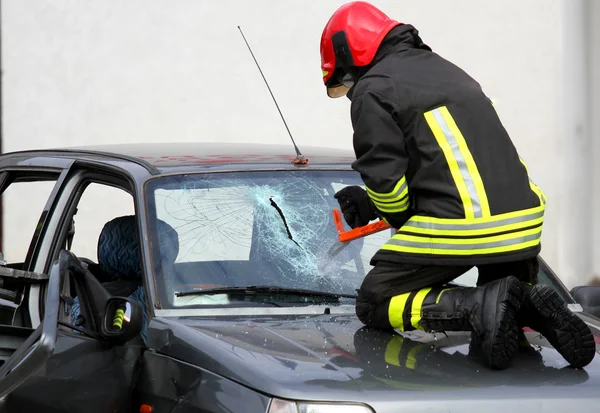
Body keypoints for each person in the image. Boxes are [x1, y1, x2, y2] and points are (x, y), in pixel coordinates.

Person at [320, 1, 595, 369]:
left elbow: (391, 191)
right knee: (505, 300)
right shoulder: (448, 72)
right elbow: (449, 167)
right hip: (522, 228)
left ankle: (475, 305)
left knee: (375, 301)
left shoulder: (374, 89)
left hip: (466, 225)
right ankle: (526, 302)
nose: (350, 90)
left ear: (349, 55)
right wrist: (370, 204)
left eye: (346, 80)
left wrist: (384, 207)